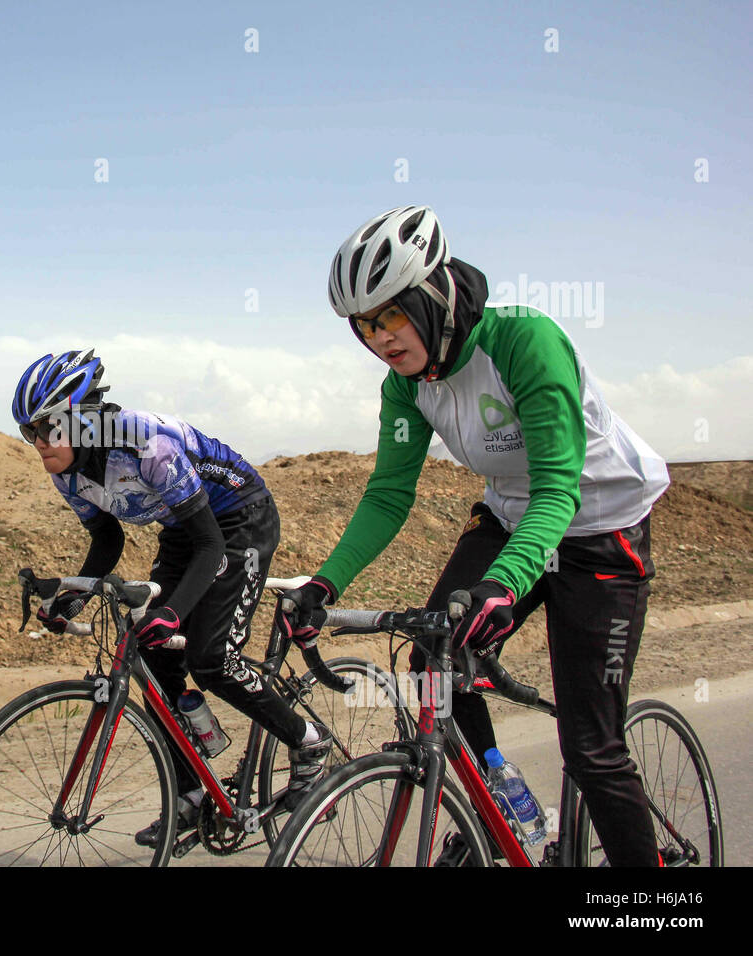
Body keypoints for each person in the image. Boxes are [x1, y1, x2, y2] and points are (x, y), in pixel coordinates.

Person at [284, 205, 670, 867]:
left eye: (391, 316)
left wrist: (503, 585)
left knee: (592, 748)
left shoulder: (523, 340)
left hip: (601, 526)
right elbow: (387, 496)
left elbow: (559, 489)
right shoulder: (406, 386)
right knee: (435, 660)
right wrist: (324, 583)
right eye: (365, 326)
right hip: (513, 517)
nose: (381, 338)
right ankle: (504, 801)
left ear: (431, 297)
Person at [12, 349, 331, 844]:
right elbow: (107, 540)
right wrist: (73, 599)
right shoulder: (65, 470)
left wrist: (174, 611)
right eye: (26, 432)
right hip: (185, 529)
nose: (36, 443)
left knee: (210, 656)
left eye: (44, 428)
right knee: (152, 653)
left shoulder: (147, 446)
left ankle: (309, 743)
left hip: (238, 519)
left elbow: (212, 545)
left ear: (81, 420)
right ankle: (192, 794)